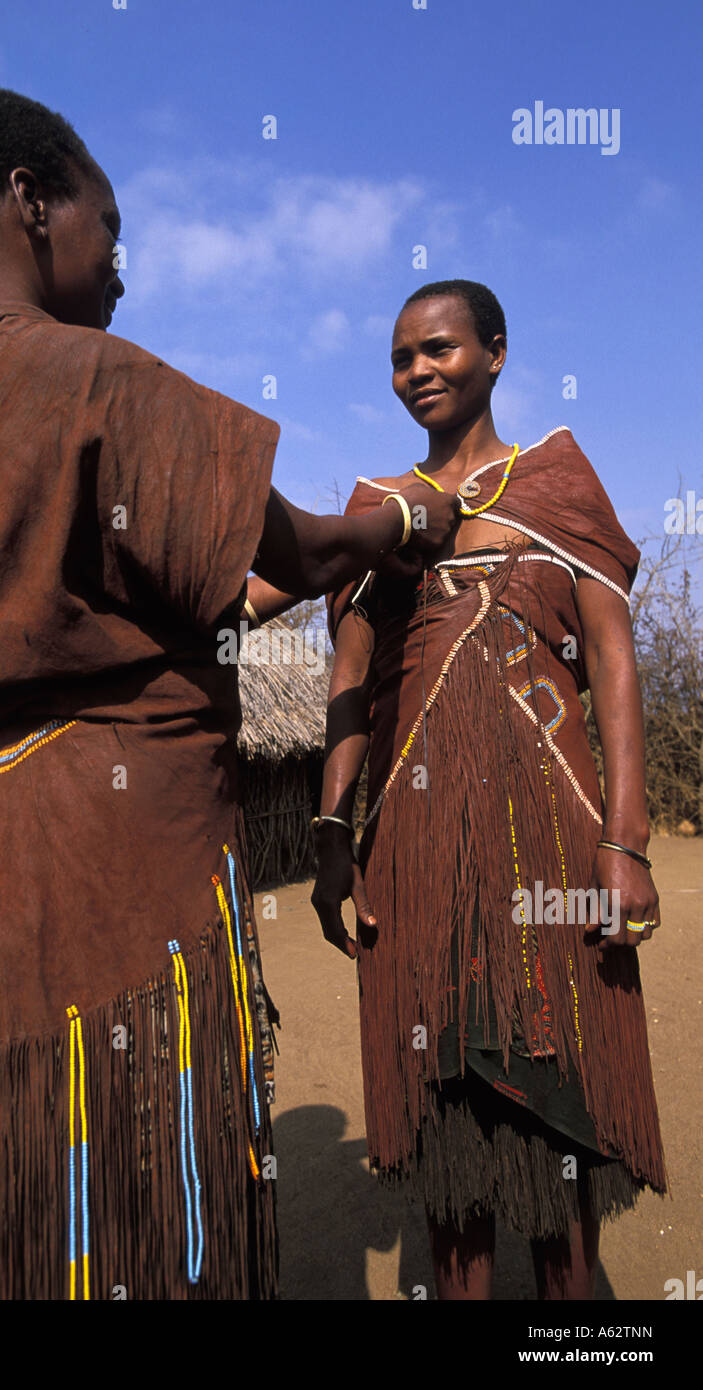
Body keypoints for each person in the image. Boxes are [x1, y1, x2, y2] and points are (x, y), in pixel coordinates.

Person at [0, 85, 457, 1301]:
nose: (122, 269)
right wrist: (396, 518)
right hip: (103, 880)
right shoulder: (91, 376)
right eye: (110, 225)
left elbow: (127, 605)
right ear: (29, 201)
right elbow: (291, 550)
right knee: (143, 1197)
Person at [311, 279, 667, 1300]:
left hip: (551, 845)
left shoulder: (556, 483)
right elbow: (348, 684)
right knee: (446, 1154)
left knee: (561, 1129)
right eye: (398, 358)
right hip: (414, 849)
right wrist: (333, 827)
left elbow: (611, 662)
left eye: (437, 350)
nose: (415, 371)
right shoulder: (379, 513)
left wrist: (625, 839)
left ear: (496, 352)